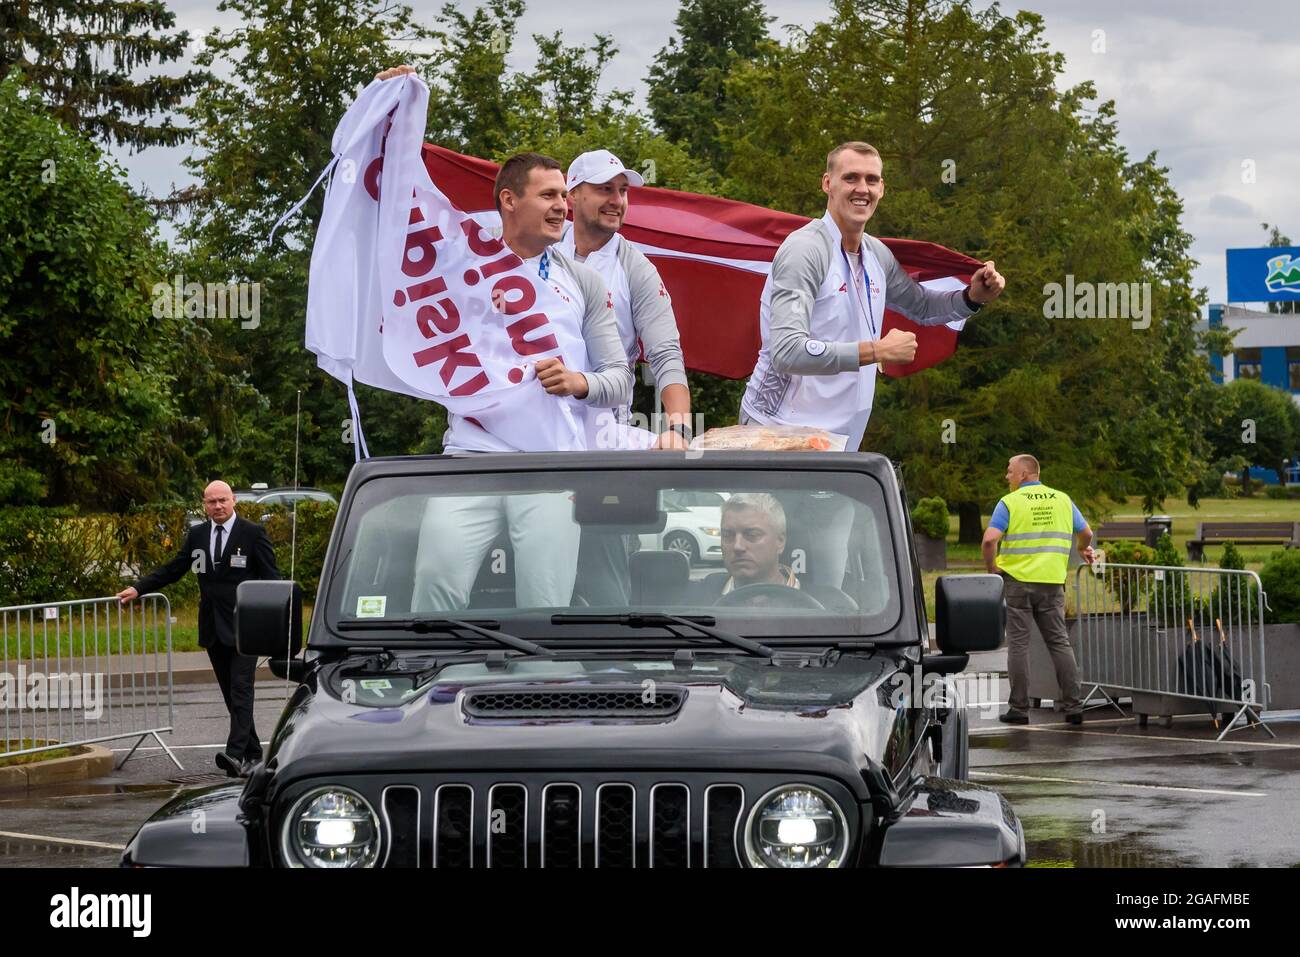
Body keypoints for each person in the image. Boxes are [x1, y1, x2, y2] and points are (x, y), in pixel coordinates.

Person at [738, 140, 1006, 591]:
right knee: (766, 583)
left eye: (872, 179)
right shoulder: (805, 250)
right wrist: (875, 351)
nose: (862, 188)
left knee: (824, 584)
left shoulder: (875, 254)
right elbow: (787, 349)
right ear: (827, 184)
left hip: (835, 446)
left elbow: (919, 305)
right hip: (776, 436)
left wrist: (971, 298)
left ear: (882, 188)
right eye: (851, 178)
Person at [404, 148, 633, 611]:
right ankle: (436, 681)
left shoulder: (583, 282)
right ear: (508, 200)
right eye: (548, 195)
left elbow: (620, 380)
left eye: (564, 196)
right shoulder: (463, 267)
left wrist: (577, 382)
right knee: (433, 586)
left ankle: (539, 684)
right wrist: (392, 111)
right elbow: (398, 218)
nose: (561, 207)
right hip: (473, 454)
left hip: (550, 463)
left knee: (544, 602)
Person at [116, 481, 280, 776]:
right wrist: (139, 588)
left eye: (222, 501)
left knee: (242, 689)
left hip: (246, 627)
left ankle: (234, 755)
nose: (217, 507)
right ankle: (254, 755)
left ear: (234, 501)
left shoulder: (252, 534)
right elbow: (174, 569)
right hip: (213, 627)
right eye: (211, 502)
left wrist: (273, 622)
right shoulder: (198, 535)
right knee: (232, 695)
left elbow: (273, 579)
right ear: (204, 504)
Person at [558, 149, 692, 450]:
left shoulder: (636, 269)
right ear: (572, 196)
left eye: (623, 191)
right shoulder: (545, 246)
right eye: (604, 189)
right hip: (542, 422)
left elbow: (666, 354)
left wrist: (680, 430)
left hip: (605, 434)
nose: (617, 200)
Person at [981, 454, 1095, 726]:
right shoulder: (1063, 500)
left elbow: (989, 540)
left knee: (1019, 644)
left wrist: (992, 568)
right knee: (1059, 642)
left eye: (1009, 471)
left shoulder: (1009, 502)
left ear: (1023, 474)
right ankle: (1074, 705)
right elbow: (1087, 533)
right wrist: (1080, 549)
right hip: (1052, 583)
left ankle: (1019, 709)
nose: (1006, 476)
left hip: (1017, 582)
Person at [693, 493, 857, 612]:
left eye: (752, 535)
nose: (737, 546)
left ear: (780, 541)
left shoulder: (831, 605)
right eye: (728, 535)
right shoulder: (693, 600)